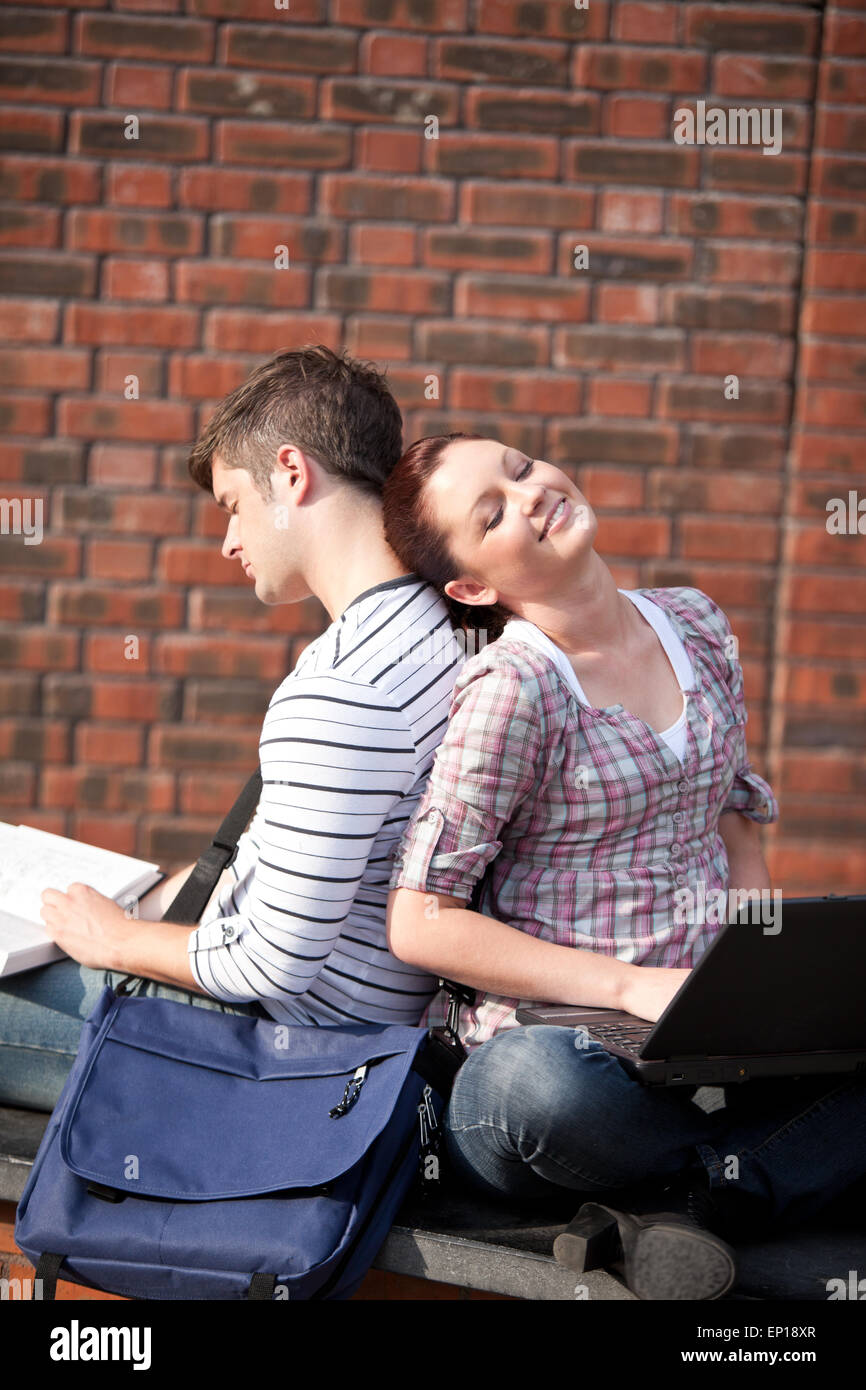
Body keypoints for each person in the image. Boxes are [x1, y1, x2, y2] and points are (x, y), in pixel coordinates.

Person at [380, 431, 866, 1300]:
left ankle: (687, 1204)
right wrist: (629, 988)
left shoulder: (696, 623)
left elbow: (734, 828)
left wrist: (759, 977)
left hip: (705, 1043)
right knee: (534, 1091)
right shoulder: (515, 691)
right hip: (564, 1052)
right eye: (493, 515)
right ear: (473, 587)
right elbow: (420, 920)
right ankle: (753, 1177)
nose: (531, 496)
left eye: (522, 470)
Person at [0, 347, 464, 1113]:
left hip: (294, 1059)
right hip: (369, 1034)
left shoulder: (344, 686)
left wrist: (114, 938)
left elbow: (267, 965)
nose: (228, 542)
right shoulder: (452, 626)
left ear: (291, 474)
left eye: (232, 506)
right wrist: (149, 896)